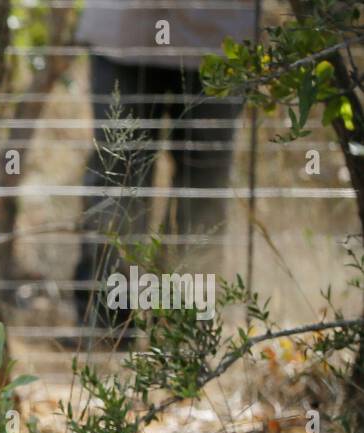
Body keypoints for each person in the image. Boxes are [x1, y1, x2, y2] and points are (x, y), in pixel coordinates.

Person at [71, 3, 257, 342]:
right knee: (118, 179)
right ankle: (107, 322)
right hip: (123, 34)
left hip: (218, 41)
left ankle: (185, 329)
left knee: (202, 187)